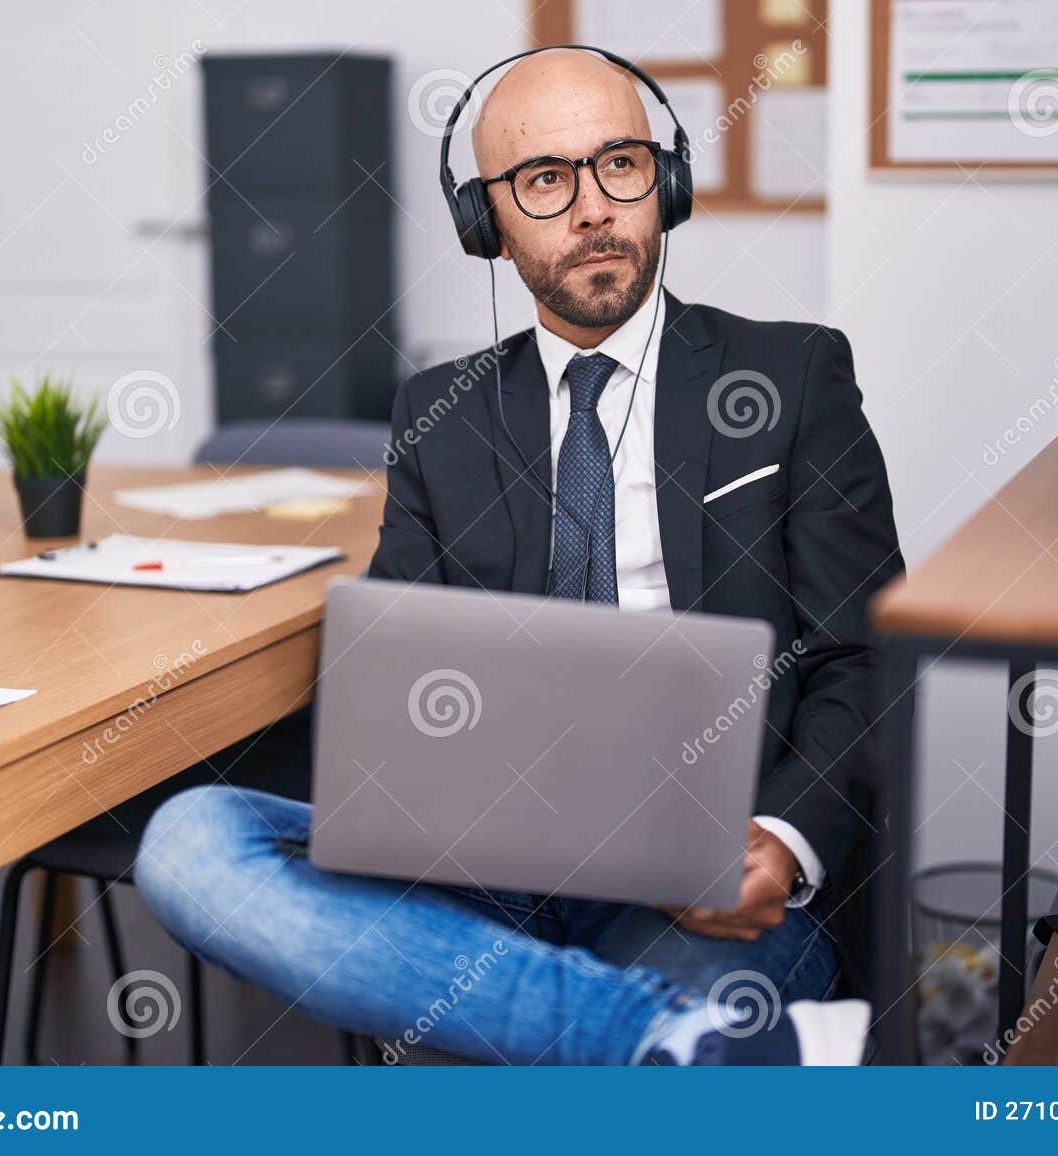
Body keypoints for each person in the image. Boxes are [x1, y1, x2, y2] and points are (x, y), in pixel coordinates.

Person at [136, 47, 903, 1066]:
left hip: (704, 877)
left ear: (666, 184)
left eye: (620, 165)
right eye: (545, 179)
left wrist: (786, 838)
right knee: (191, 840)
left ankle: (612, 1029)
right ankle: (653, 1040)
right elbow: (399, 670)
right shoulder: (440, 415)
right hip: (484, 869)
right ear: (486, 224)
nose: (593, 209)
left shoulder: (792, 373)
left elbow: (868, 654)